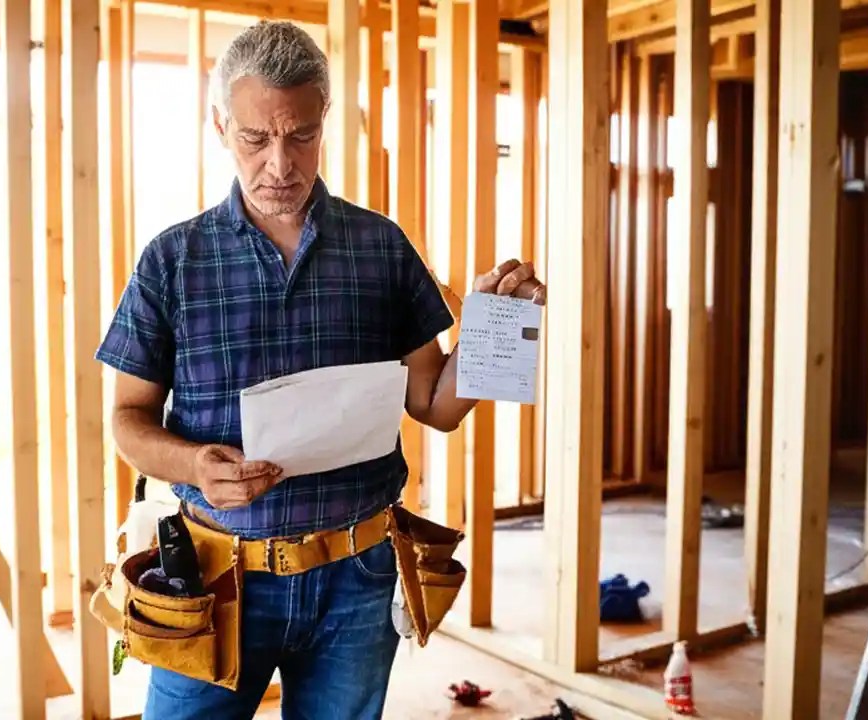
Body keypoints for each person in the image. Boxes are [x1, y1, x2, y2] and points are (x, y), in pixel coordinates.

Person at [96, 19, 546, 720]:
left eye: (301, 134)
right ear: (220, 126)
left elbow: (437, 404)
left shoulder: (380, 247)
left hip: (358, 578)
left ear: (323, 119)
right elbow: (127, 422)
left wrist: (494, 329)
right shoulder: (172, 260)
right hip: (214, 578)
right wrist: (193, 465)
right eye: (256, 137)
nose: (281, 163)